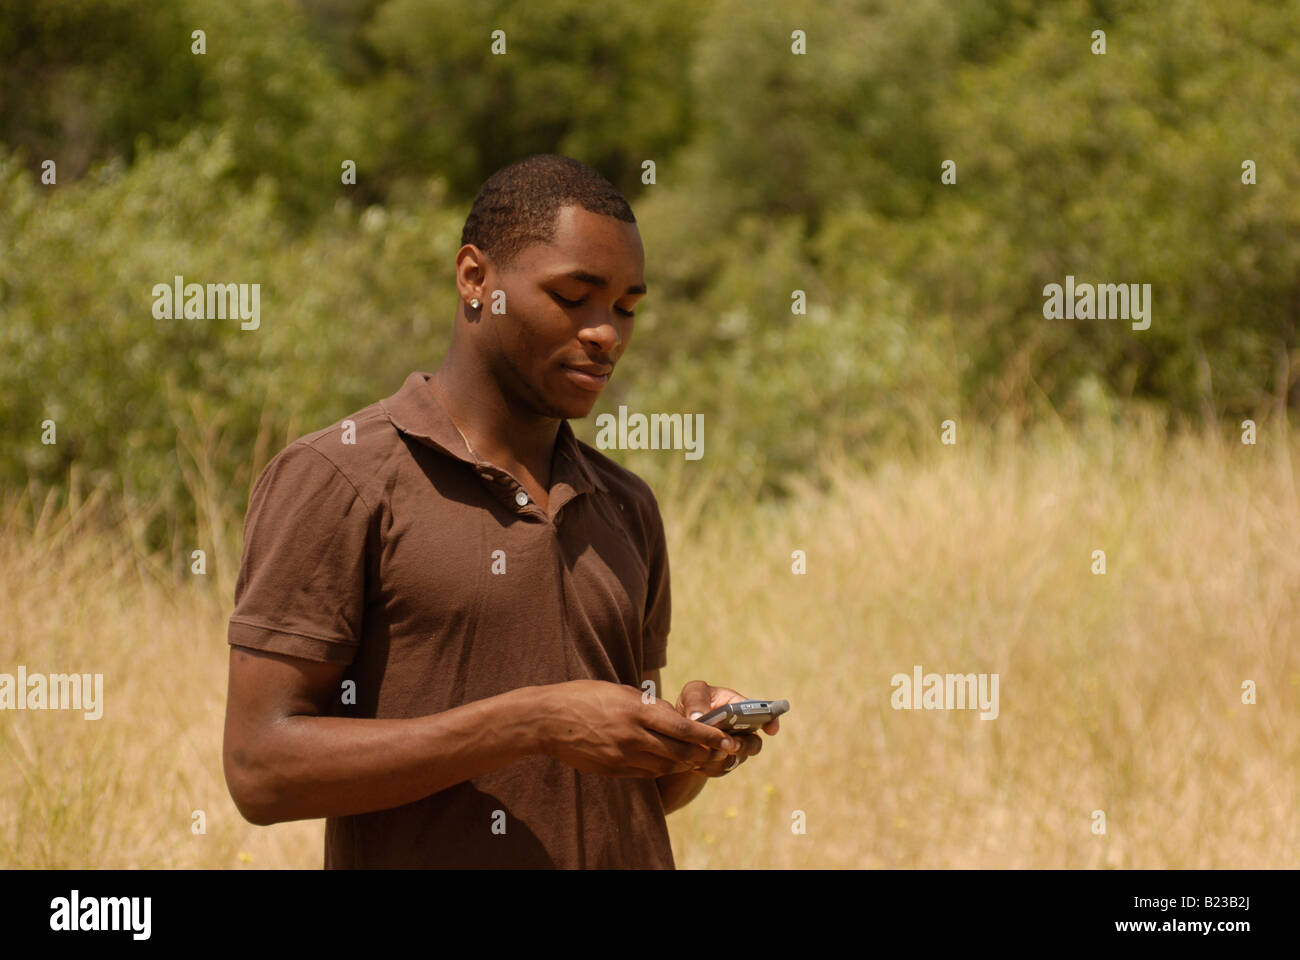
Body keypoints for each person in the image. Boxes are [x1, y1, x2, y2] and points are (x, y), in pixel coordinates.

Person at [221, 154, 780, 868]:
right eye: (573, 296)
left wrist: (691, 747)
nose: (606, 333)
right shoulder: (339, 477)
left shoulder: (626, 505)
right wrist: (530, 722)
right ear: (475, 279)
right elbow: (259, 770)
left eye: (627, 307)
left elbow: (627, 788)